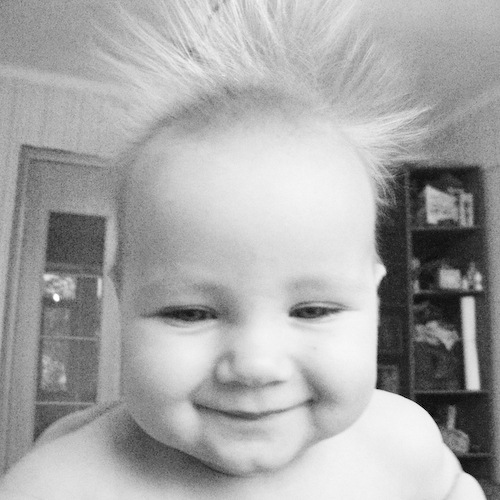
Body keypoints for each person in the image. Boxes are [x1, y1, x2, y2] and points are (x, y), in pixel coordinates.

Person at [0, 0, 486, 498]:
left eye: (314, 309)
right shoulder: (59, 484)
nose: (256, 364)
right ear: (123, 299)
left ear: (374, 300)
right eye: (190, 313)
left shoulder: (401, 444)